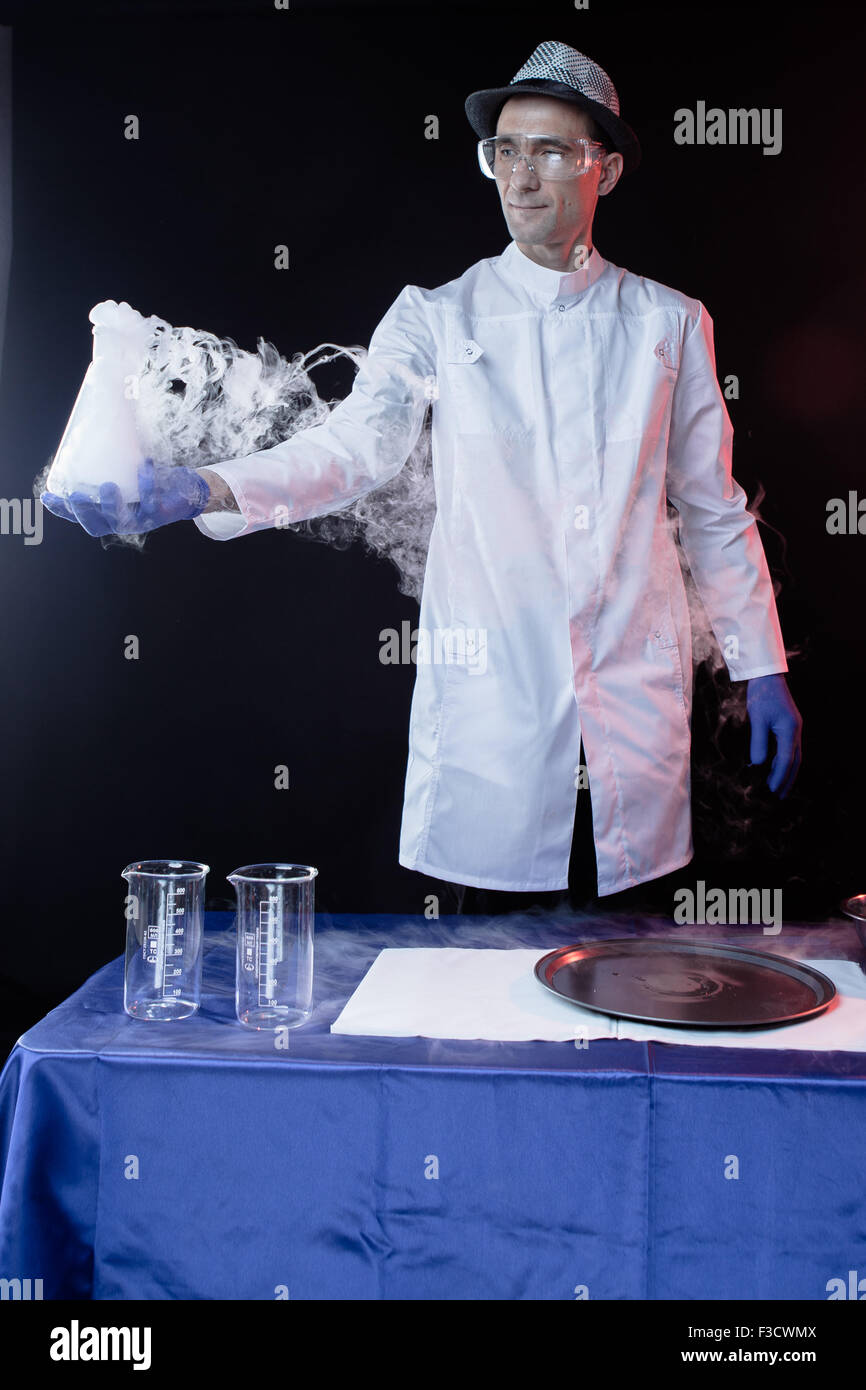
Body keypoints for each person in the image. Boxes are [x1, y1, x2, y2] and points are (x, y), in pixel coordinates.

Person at [42, 39, 802, 918]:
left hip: (633, 710)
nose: (521, 176)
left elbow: (712, 508)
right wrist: (203, 486)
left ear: (607, 169)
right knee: (491, 991)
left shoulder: (670, 323)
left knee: (626, 987)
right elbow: (353, 450)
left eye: (551, 151)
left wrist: (761, 667)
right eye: (505, 151)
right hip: (493, 716)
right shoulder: (435, 317)